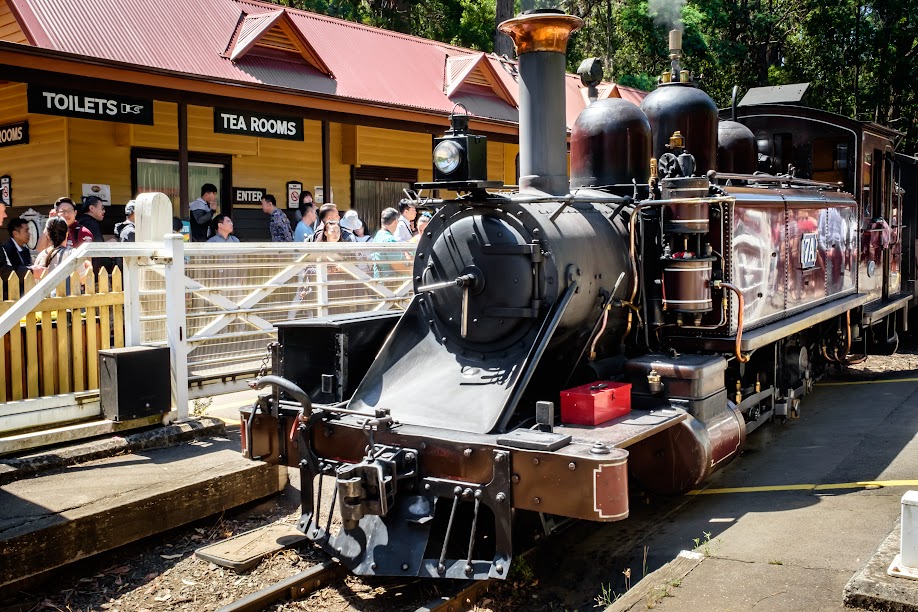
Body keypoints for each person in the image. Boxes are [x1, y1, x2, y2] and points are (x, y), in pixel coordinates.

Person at [371, 207, 411, 278]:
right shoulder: (390, 240)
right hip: (389, 283)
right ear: (395, 221)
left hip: (379, 280)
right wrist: (412, 272)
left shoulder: (378, 235)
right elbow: (397, 266)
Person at [78, 195, 113, 272]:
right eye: (102, 208)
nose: (104, 211)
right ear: (92, 208)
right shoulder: (91, 224)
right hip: (91, 267)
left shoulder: (80, 221)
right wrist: (110, 243)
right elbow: (98, 247)